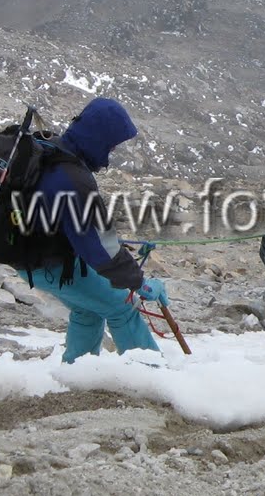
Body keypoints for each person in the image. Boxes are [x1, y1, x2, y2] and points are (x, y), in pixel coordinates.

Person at [17, 97, 166, 362]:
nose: (109, 156)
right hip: (50, 264)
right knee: (122, 305)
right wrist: (139, 283)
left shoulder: (52, 151)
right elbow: (101, 249)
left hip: (28, 257)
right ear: (98, 139)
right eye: (110, 146)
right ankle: (153, 380)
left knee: (89, 309)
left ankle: (77, 376)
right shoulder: (74, 179)